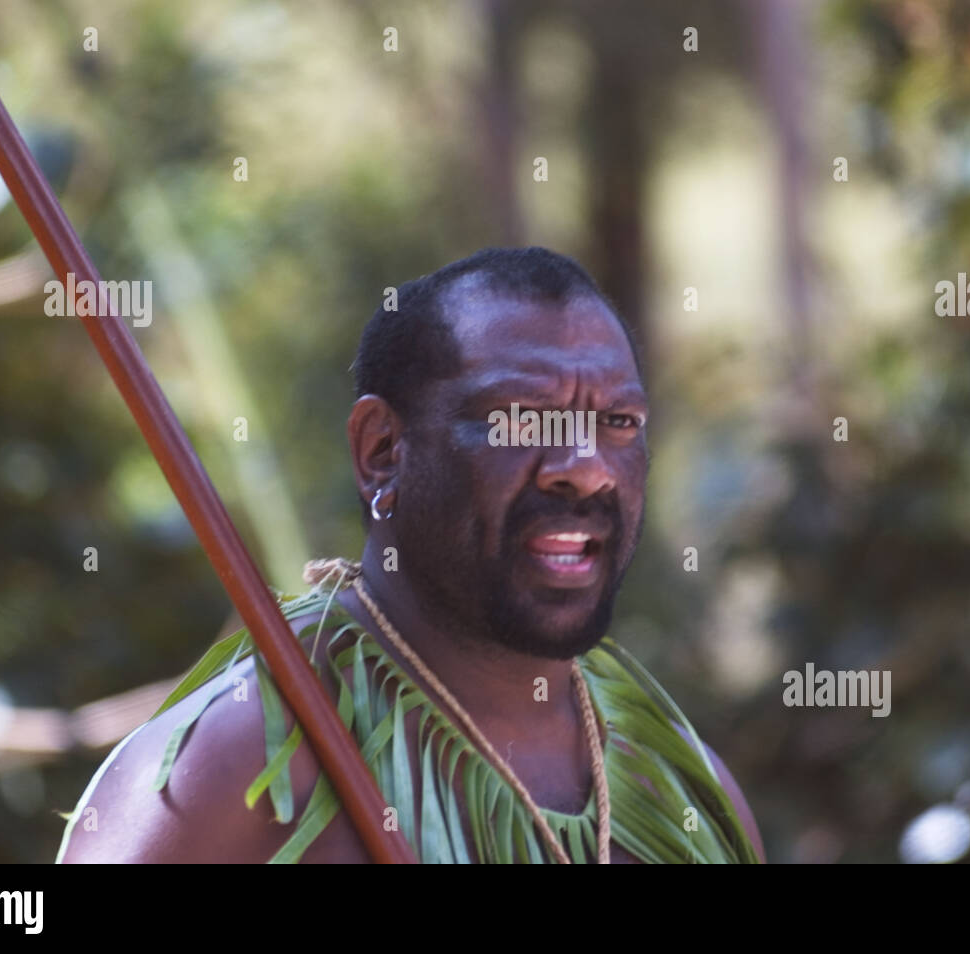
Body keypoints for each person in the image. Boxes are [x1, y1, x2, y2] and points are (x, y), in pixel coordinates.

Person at [57, 246, 765, 864]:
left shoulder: (685, 792)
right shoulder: (233, 774)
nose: (585, 467)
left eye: (616, 422)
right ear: (382, 451)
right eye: (520, 418)